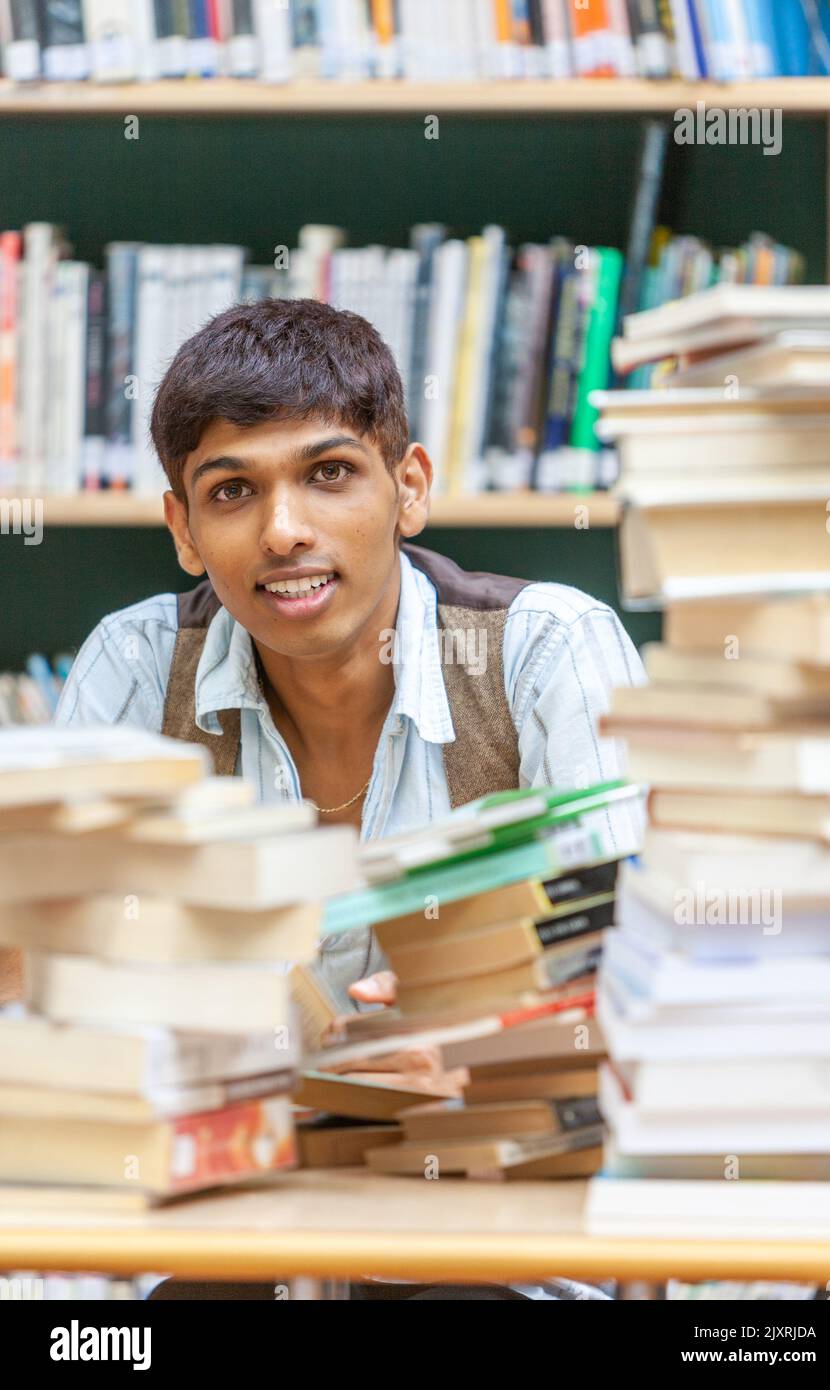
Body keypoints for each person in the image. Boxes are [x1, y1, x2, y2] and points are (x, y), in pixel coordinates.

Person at [55, 298, 644, 1300]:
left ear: (408, 487)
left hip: (492, 1231)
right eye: (232, 490)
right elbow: (57, 1012)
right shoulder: (137, 664)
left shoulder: (545, 648)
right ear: (183, 529)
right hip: (222, 1232)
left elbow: (634, 989)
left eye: (328, 474)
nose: (285, 532)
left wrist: (477, 1056)